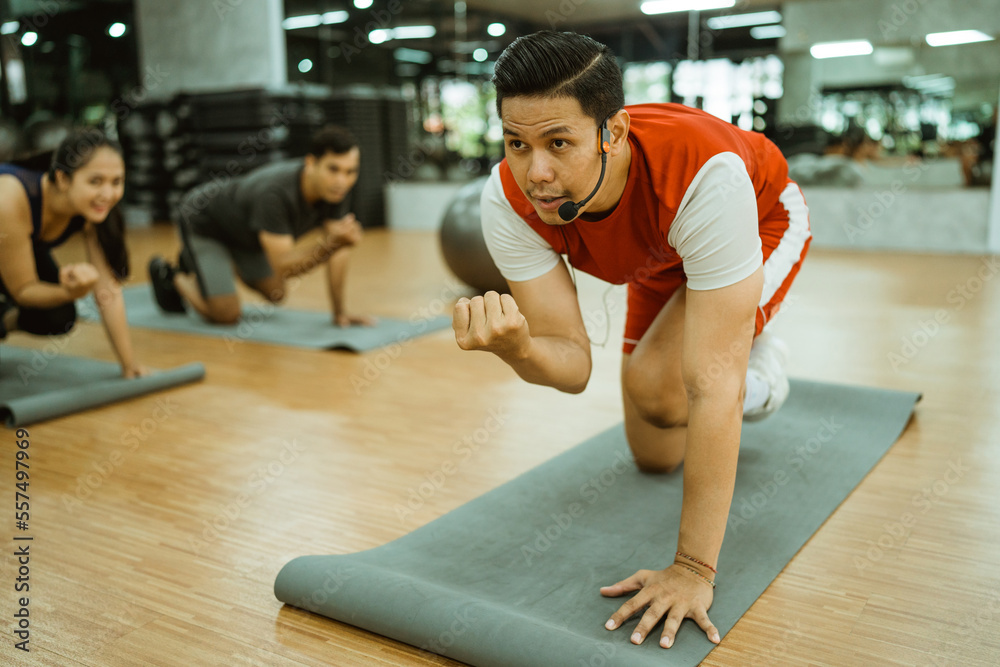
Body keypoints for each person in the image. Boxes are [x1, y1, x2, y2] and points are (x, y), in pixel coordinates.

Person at [452, 31, 811, 649]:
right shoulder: (506, 201)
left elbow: (710, 388)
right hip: (662, 252)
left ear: (612, 132)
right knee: (655, 450)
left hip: (755, 220)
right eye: (517, 143)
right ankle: (714, 341)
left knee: (681, 387)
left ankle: (764, 375)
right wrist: (519, 349)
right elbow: (571, 366)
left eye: (558, 143)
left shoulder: (706, 173)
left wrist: (693, 570)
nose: (537, 174)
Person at [149, 125, 374, 327]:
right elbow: (284, 267)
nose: (342, 181)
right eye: (333, 169)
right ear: (310, 163)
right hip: (205, 221)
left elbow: (339, 251)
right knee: (226, 315)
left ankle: (215, 267)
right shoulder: (274, 194)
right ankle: (175, 275)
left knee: (277, 293)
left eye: (350, 171)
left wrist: (340, 313)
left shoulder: (335, 191)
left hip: (246, 234)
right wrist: (330, 246)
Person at [0, 129, 147, 378]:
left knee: (58, 315)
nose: (108, 194)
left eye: (116, 182)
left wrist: (128, 364)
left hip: (11, 244)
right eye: (95, 181)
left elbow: (107, 291)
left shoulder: (91, 211)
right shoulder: (9, 198)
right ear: (63, 179)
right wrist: (70, 292)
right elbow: (23, 290)